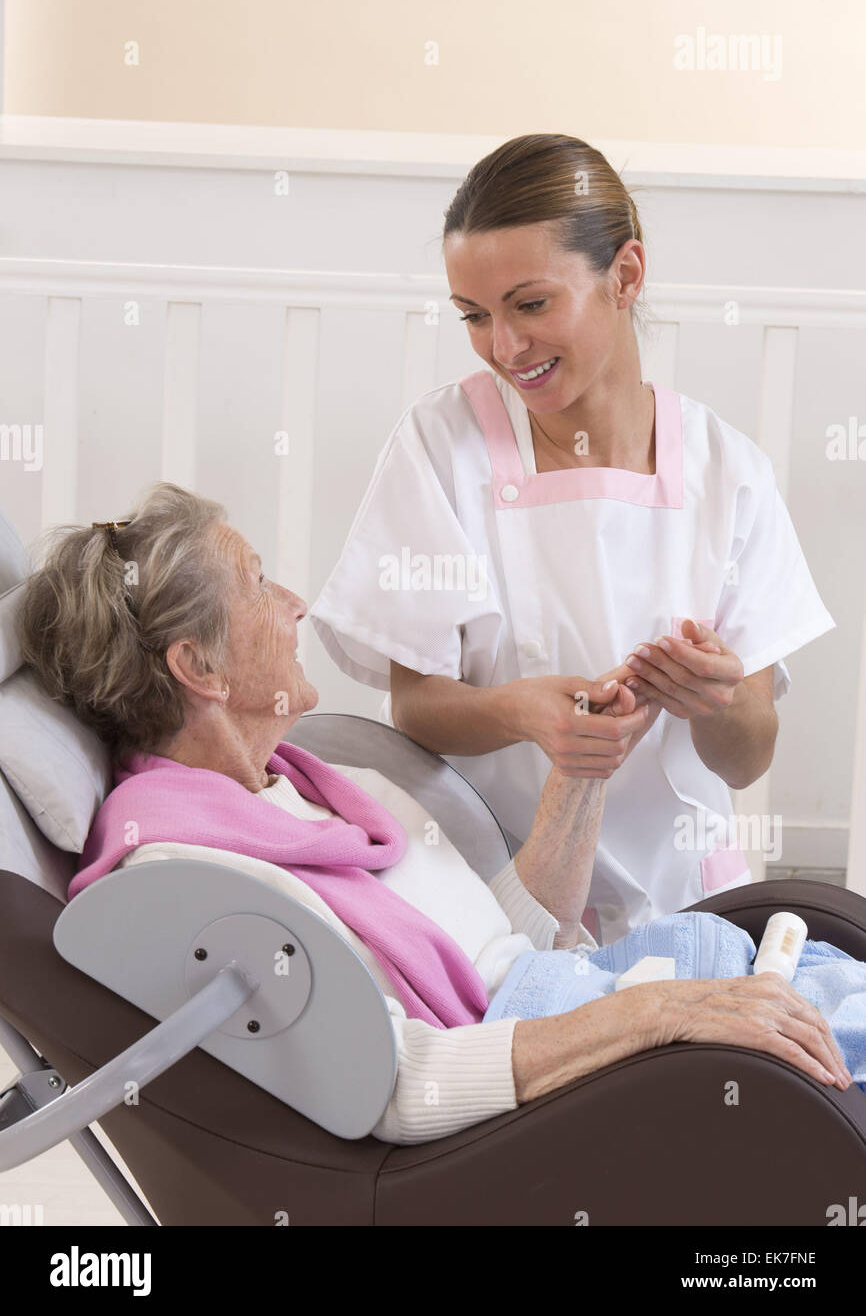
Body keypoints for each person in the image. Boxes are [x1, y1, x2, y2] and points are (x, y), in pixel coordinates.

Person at [16, 483, 850, 1147]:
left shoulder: (300, 787)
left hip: (565, 1010)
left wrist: (581, 772)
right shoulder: (188, 878)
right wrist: (665, 1012)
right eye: (259, 584)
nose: (297, 603)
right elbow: (400, 1082)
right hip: (529, 1132)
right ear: (199, 667)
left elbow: (503, 951)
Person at [311, 132, 834, 944]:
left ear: (625, 275)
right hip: (497, 899)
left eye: (530, 305)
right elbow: (415, 708)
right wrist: (521, 713)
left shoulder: (729, 473)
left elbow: (746, 757)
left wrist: (716, 700)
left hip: (683, 903)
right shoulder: (439, 447)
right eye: (475, 316)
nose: (504, 347)